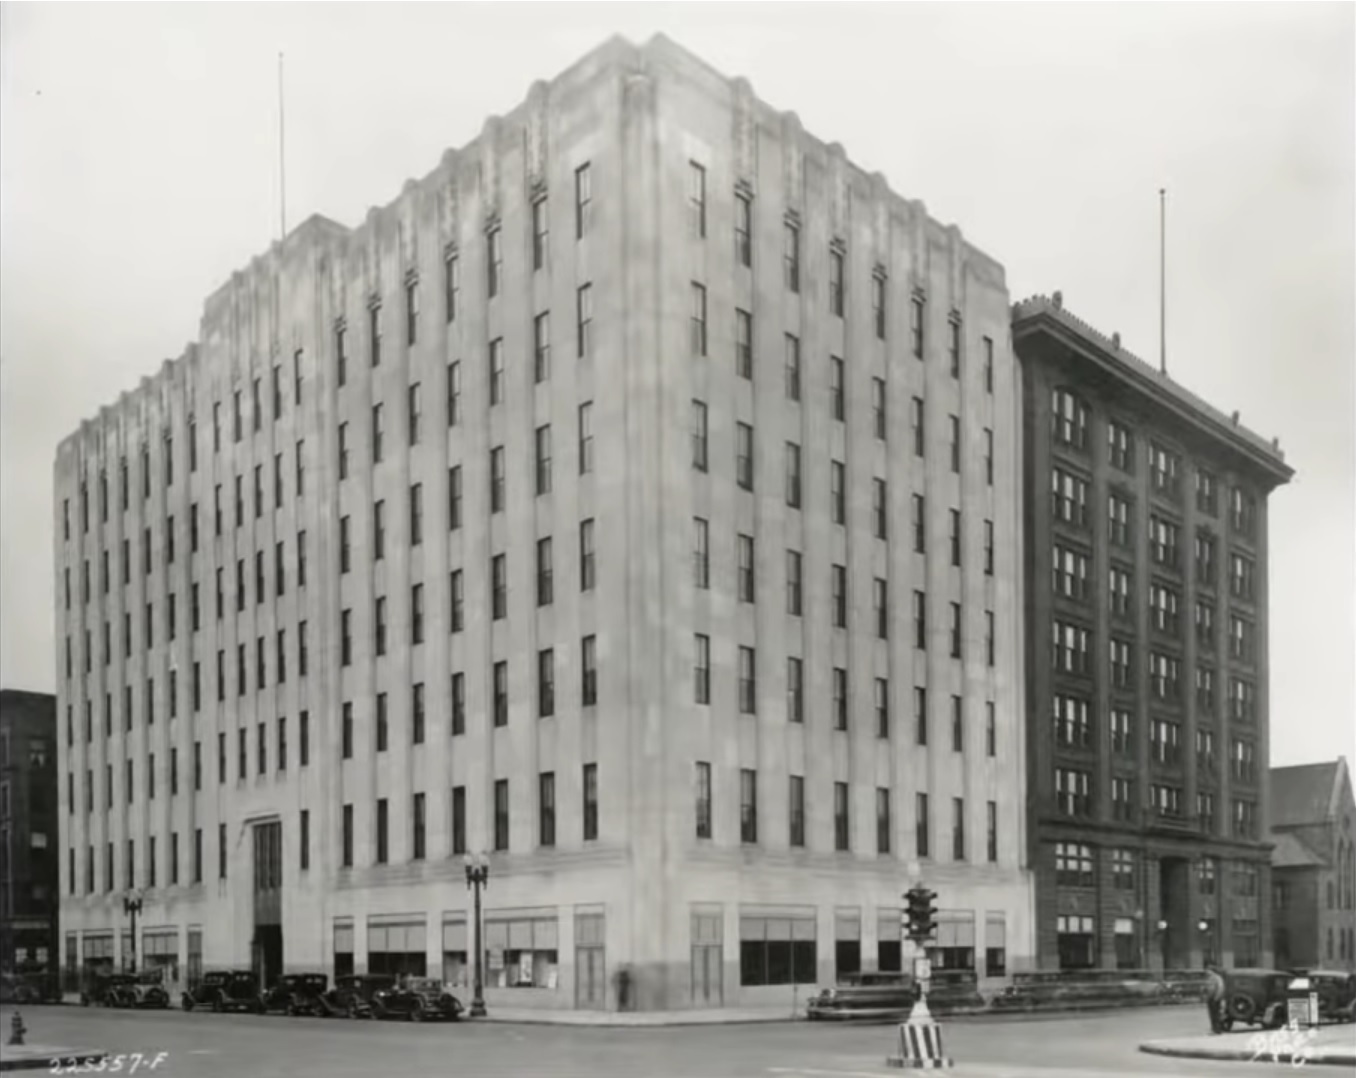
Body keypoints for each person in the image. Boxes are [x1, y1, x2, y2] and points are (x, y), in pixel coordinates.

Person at [1204, 964, 1227, 1034]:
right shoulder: (1209, 978)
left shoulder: (1217, 978)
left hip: (1215, 999)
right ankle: (1214, 1029)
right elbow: (1208, 988)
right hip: (1210, 998)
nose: (1206, 972)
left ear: (1212, 971)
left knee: (1216, 1015)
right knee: (1212, 1015)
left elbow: (1221, 988)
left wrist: (1217, 997)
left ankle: (1217, 1030)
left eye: (1208, 970)